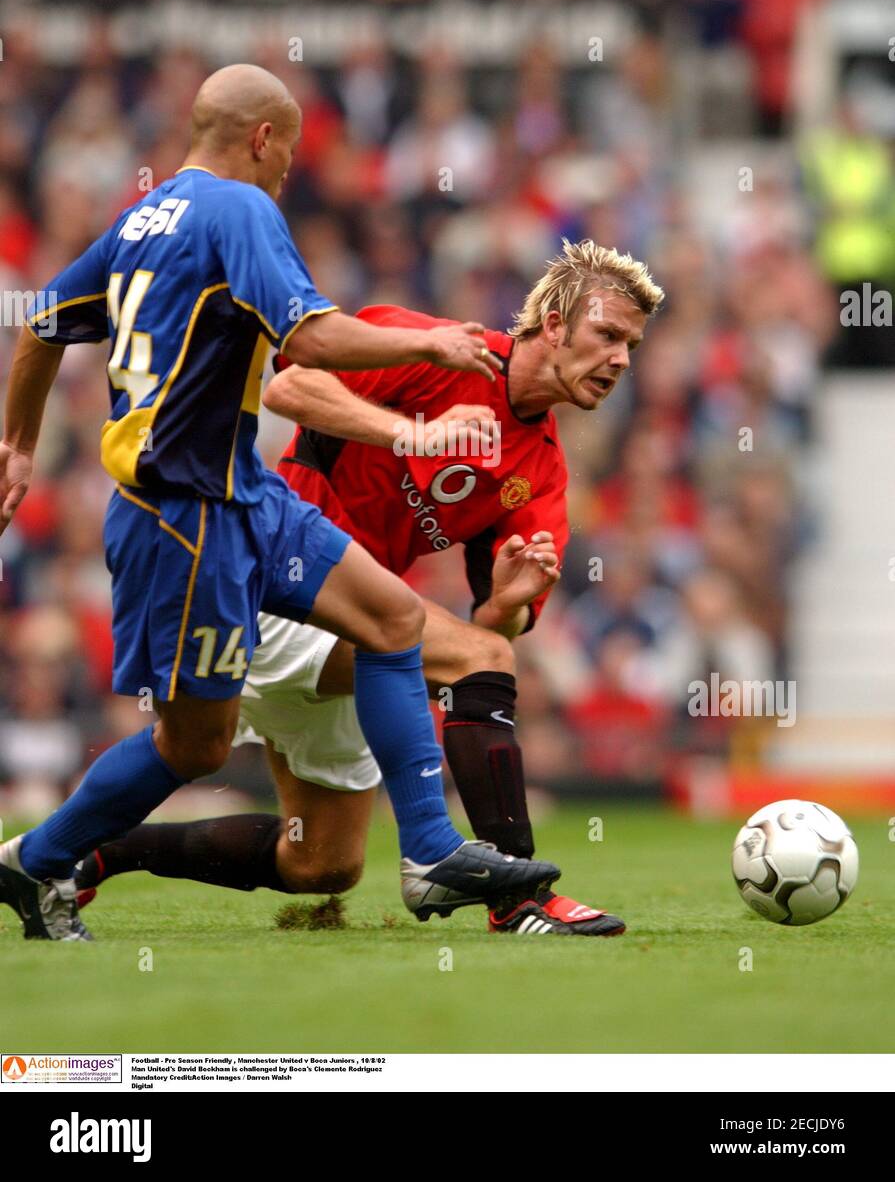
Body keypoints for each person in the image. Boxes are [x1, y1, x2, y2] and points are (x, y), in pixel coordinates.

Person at [0, 63, 560, 941]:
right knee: (195, 749)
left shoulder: (138, 221)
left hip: (247, 497)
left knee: (391, 618)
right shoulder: (240, 208)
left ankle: (429, 852)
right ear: (261, 138)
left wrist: (19, 447)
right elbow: (308, 337)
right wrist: (442, 348)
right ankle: (36, 862)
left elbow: (39, 324)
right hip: (180, 515)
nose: (288, 171)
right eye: (288, 153)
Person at [75, 242, 664, 936]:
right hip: (269, 581)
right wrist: (410, 435)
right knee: (478, 659)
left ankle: (102, 849)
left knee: (320, 865)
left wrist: (508, 599)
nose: (622, 359)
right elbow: (286, 388)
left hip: (355, 631)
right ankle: (518, 898)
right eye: (609, 335)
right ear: (556, 324)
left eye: (630, 344)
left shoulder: (542, 469)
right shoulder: (433, 348)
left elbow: (497, 624)